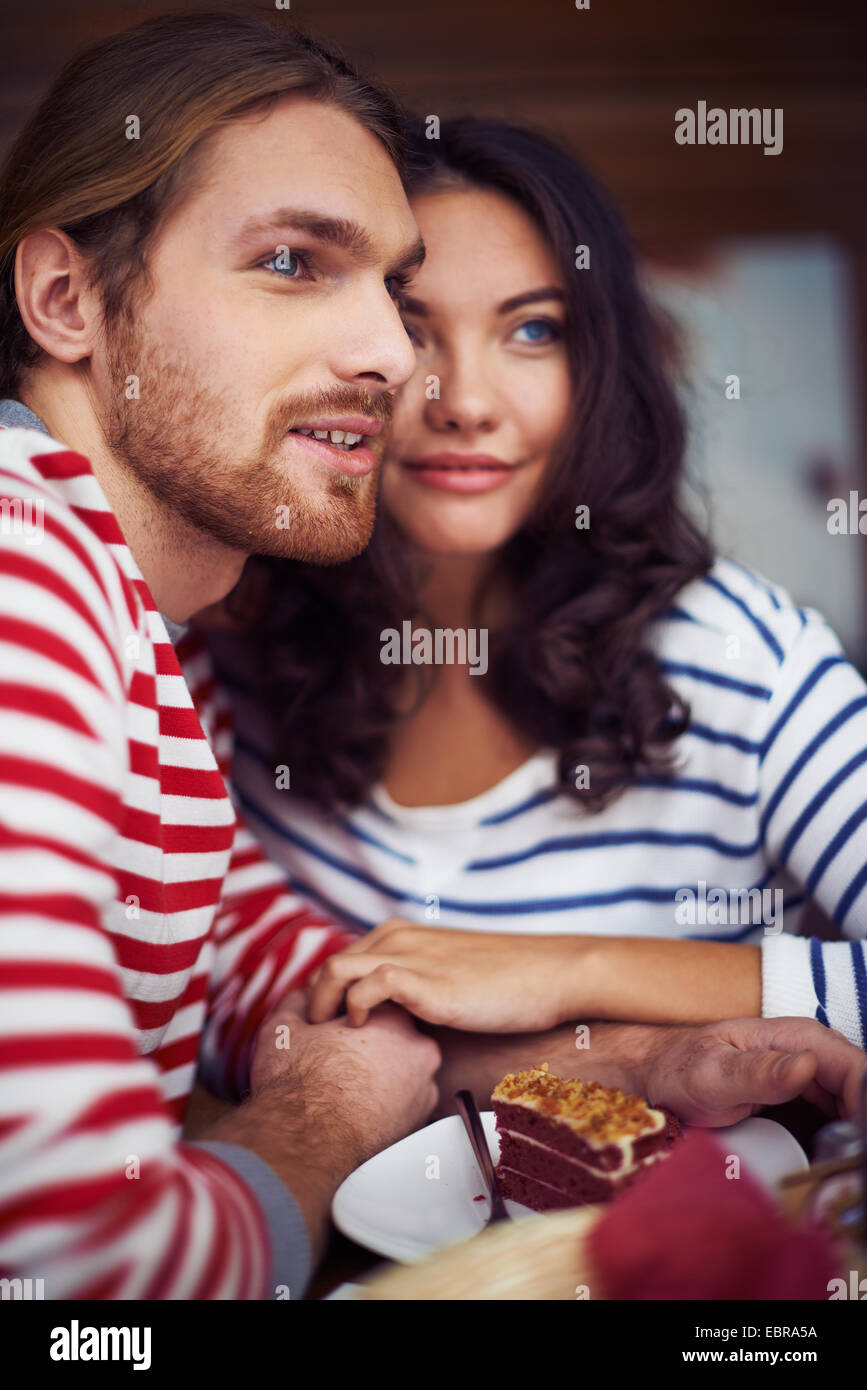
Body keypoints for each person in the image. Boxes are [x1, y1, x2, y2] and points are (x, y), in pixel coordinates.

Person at [208, 116, 867, 1067]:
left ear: (597, 368)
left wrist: (573, 967)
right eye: (411, 329)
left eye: (532, 330)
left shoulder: (744, 660)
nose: (466, 401)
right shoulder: (237, 634)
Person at [0, 11, 441, 1300]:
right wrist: (327, 1123)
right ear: (67, 299)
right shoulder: (25, 570)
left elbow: (226, 940)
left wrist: (623, 1059)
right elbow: (90, 1281)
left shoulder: (140, 613)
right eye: (296, 261)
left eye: (393, 287)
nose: (394, 356)